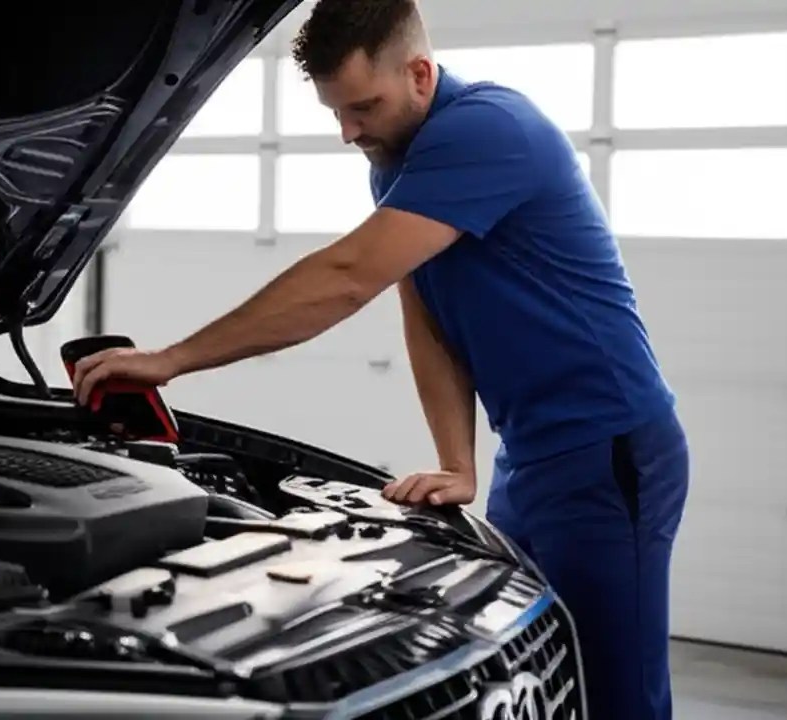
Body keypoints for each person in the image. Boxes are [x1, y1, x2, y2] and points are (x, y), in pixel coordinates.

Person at [71, 1, 688, 718]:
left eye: (364, 106)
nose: (348, 132)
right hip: (532, 457)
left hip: (609, 452)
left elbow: (346, 277)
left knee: (618, 695)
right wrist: (458, 462)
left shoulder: (489, 130)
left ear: (421, 73)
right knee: (532, 681)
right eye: (336, 112)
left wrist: (172, 359)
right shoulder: (397, 163)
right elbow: (426, 322)